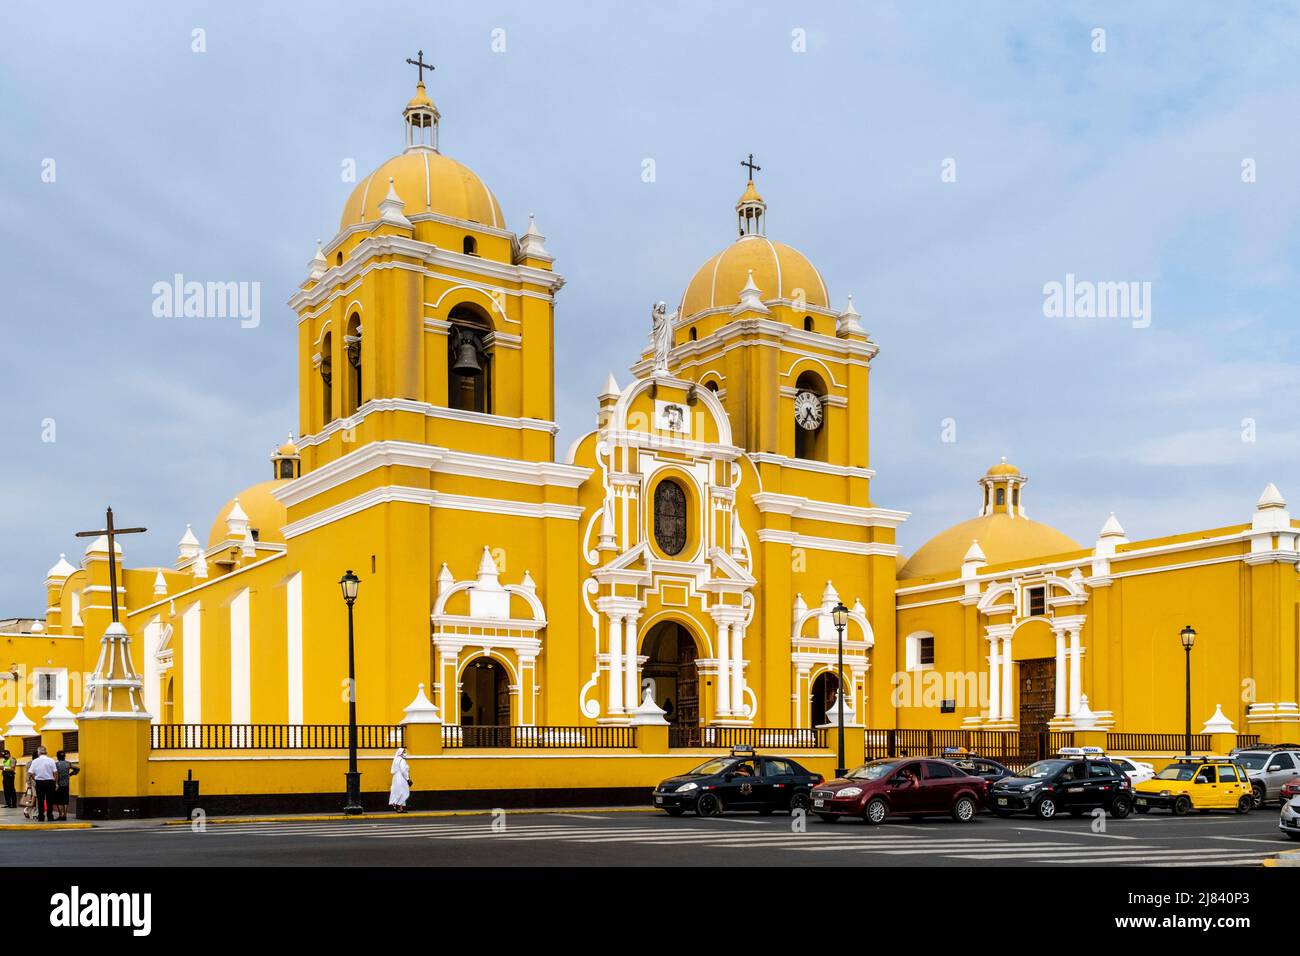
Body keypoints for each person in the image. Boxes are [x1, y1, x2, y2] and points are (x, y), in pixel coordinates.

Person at [27, 747, 58, 822]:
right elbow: (55, 772)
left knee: (40, 800)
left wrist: (35, 778)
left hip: (39, 782)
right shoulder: (51, 760)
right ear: (46, 752)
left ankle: (41, 816)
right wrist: (56, 782)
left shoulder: (35, 761)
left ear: (38, 753)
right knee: (49, 800)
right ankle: (50, 816)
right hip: (50, 782)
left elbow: (30, 773)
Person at [53, 751, 79, 821]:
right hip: (66, 784)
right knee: (65, 800)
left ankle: (60, 815)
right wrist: (71, 774)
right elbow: (77, 769)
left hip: (58, 784)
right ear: (64, 756)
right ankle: (65, 815)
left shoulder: (56, 764)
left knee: (59, 800)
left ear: (58, 757)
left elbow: (55, 774)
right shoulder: (68, 763)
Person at [388, 747, 410, 813]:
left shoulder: (396, 760)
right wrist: (408, 779)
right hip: (401, 778)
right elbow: (403, 771)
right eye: (404, 752)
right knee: (405, 792)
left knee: (398, 792)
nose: (405, 753)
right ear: (401, 753)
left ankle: (400, 808)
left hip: (396, 778)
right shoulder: (402, 760)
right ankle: (398, 805)